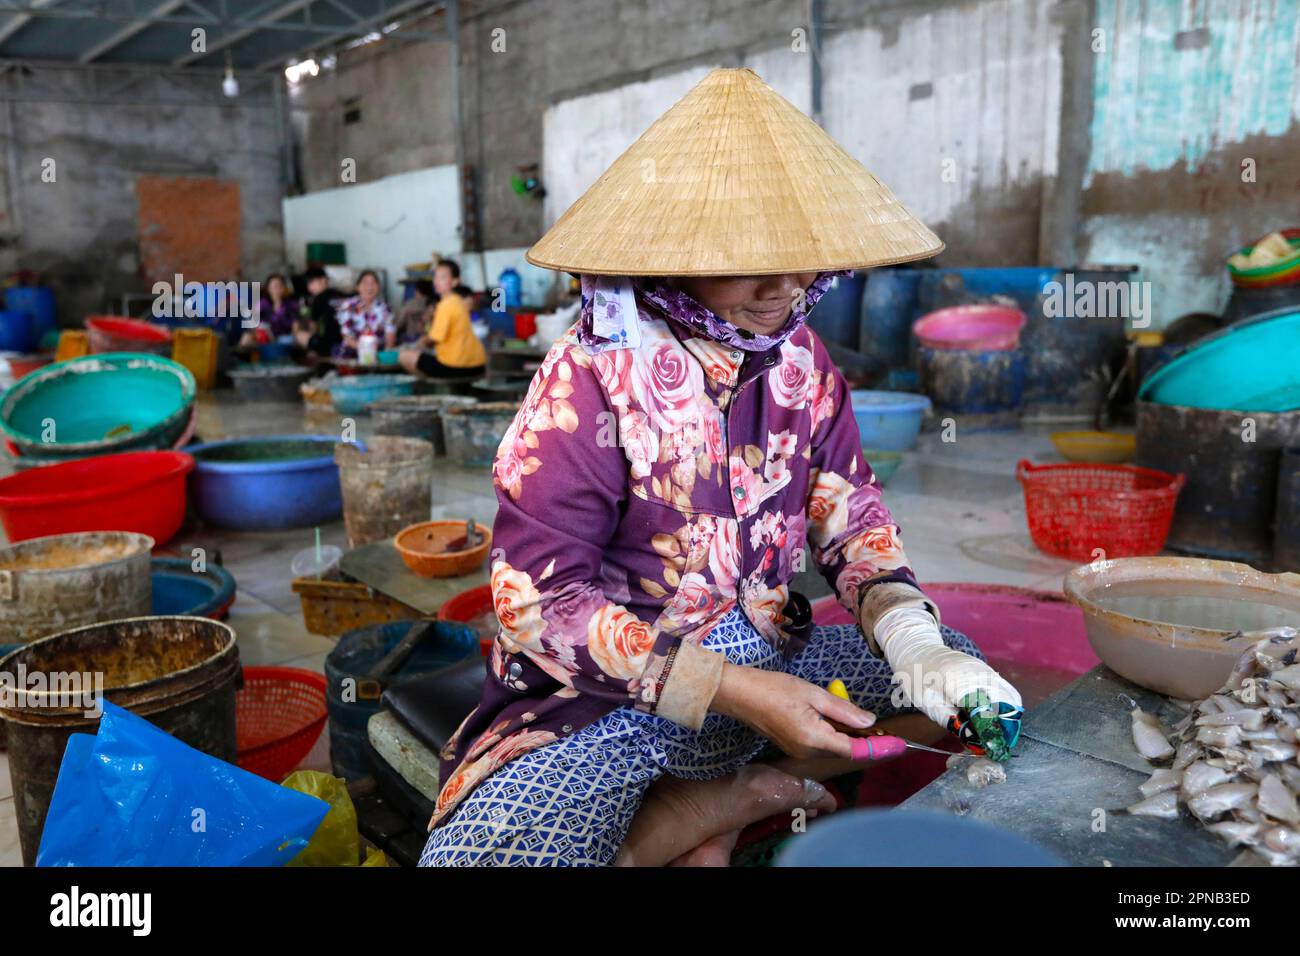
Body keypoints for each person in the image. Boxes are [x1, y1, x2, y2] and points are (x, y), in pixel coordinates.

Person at [419, 68, 1024, 868]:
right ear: (670, 260)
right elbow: (541, 608)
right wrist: (733, 693)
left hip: (774, 652)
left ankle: (740, 786)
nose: (786, 289)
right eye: (749, 263)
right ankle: (725, 800)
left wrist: (912, 640)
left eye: (803, 259)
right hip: (611, 699)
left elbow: (851, 514)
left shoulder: (801, 362)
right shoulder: (591, 377)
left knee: (966, 692)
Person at [398, 259, 486, 379]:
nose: (437, 281)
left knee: (404, 356)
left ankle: (432, 389)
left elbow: (433, 339)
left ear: (455, 282)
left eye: (443, 277)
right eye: (436, 277)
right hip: (478, 364)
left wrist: (416, 345)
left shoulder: (446, 304)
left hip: (455, 366)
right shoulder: (457, 300)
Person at [334, 269, 395, 357]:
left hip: (378, 350)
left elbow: (390, 333)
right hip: (353, 349)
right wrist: (365, 350)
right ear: (357, 287)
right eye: (365, 283)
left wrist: (387, 351)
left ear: (378, 287)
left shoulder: (385, 308)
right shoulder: (349, 305)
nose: (369, 286)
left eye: (373, 283)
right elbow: (346, 335)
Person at [240, 273, 300, 347]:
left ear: (284, 288)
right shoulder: (263, 303)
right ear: (268, 288)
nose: (277, 289)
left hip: (285, 337)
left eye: (279, 286)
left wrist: (295, 336)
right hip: (265, 337)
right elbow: (252, 317)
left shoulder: (291, 304)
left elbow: (295, 324)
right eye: (274, 286)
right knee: (246, 337)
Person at [297, 266, 343, 357]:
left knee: (300, 335)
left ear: (323, 280)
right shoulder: (340, 295)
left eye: (312, 283)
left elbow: (313, 326)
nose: (309, 287)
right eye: (308, 284)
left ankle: (315, 358)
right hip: (344, 341)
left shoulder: (319, 298)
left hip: (328, 345)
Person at [395, 279, 435, 344]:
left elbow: (400, 323)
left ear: (417, 291)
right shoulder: (434, 303)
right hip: (430, 338)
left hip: (412, 339)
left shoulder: (410, 304)